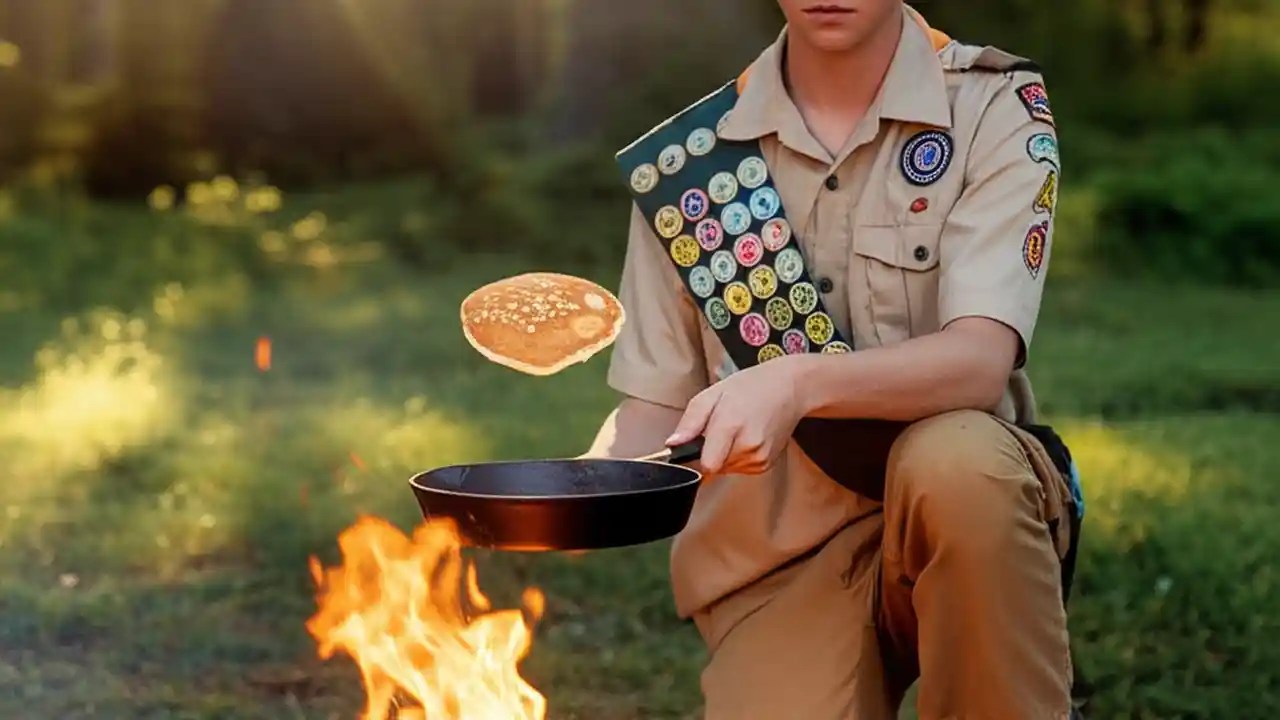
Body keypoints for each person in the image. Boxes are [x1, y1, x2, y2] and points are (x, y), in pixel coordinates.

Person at [586, 1, 1082, 718]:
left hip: (965, 508)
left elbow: (978, 362)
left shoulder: (991, 105)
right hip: (778, 556)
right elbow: (657, 409)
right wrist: (566, 495)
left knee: (956, 461)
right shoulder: (694, 164)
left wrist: (794, 383)